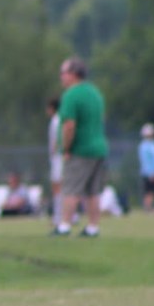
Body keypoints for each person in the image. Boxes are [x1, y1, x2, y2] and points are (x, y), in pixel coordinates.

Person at [51, 56, 109, 237]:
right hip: (99, 148)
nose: (61, 77)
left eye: (64, 73)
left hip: (80, 150)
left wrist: (66, 148)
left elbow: (69, 125)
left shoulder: (71, 94)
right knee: (93, 191)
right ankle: (93, 227)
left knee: (70, 189)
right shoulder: (95, 93)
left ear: (74, 74)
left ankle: (65, 226)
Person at [46, 98, 63, 226]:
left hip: (58, 158)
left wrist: (53, 153)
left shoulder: (56, 120)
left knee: (57, 187)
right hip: (59, 158)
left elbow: (56, 141)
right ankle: (66, 215)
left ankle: (59, 216)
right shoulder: (60, 119)